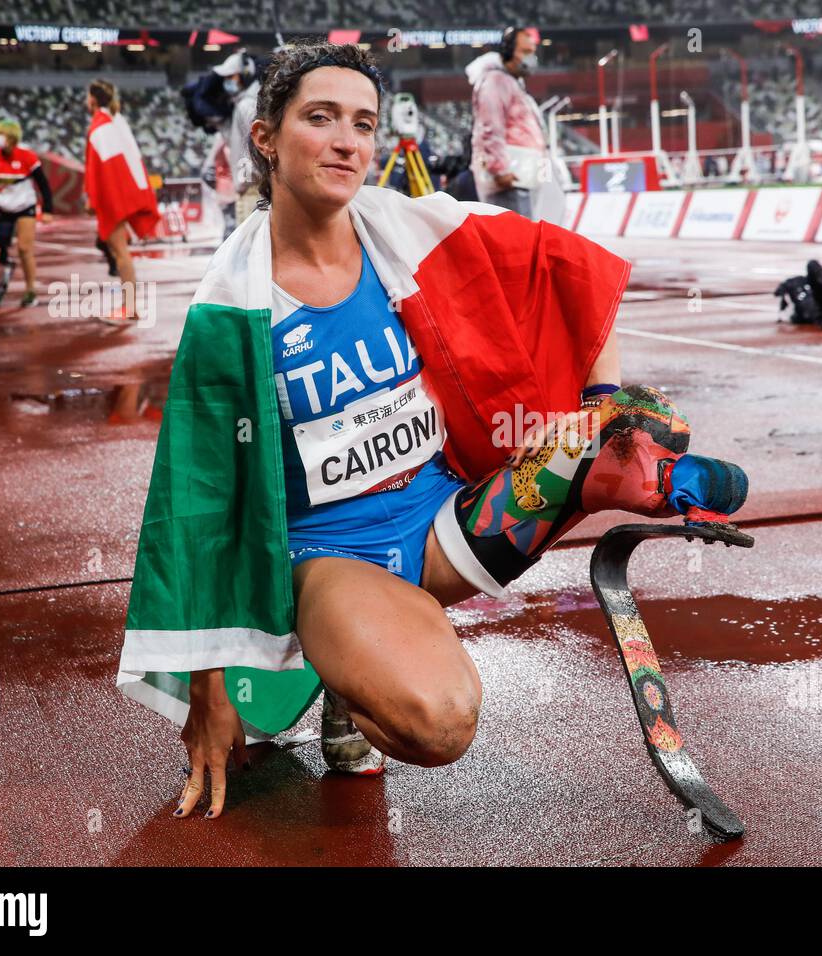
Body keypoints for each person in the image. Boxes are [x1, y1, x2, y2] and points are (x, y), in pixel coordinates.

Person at [113, 41, 748, 819]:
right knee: (440, 721)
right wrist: (205, 692)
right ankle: (348, 669)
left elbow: (572, 269)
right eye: (321, 118)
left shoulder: (410, 232)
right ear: (267, 136)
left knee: (624, 420)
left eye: (363, 123)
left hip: (445, 519)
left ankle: (631, 473)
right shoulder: (228, 311)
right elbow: (200, 510)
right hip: (331, 558)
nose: (348, 141)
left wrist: (599, 408)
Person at [83, 79, 161, 325]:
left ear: (93, 100)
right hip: (115, 195)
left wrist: (93, 198)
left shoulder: (101, 126)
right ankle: (129, 305)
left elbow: (100, 169)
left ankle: (130, 307)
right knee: (118, 252)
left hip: (111, 198)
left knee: (120, 253)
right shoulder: (112, 123)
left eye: (87, 97)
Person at [0, 119, 52, 309]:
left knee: (25, 248)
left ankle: (30, 290)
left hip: (25, 207)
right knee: (2, 250)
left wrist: (48, 209)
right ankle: (3, 282)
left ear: (11, 138)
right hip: (4, 210)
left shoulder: (28, 157)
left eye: (1, 134)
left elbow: (43, 185)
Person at [467, 27, 547, 217]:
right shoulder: (496, 81)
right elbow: (489, 128)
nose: (531, 58)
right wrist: (500, 170)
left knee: (523, 239)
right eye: (525, 52)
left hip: (519, 176)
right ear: (508, 52)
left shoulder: (510, 82)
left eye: (533, 53)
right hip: (507, 180)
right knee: (515, 242)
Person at [209, 50, 262, 230]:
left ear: (245, 75)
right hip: (251, 188)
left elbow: (253, 150)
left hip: (253, 190)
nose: (227, 82)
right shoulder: (246, 103)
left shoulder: (248, 105)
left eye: (231, 76)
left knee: (251, 251)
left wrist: (246, 182)